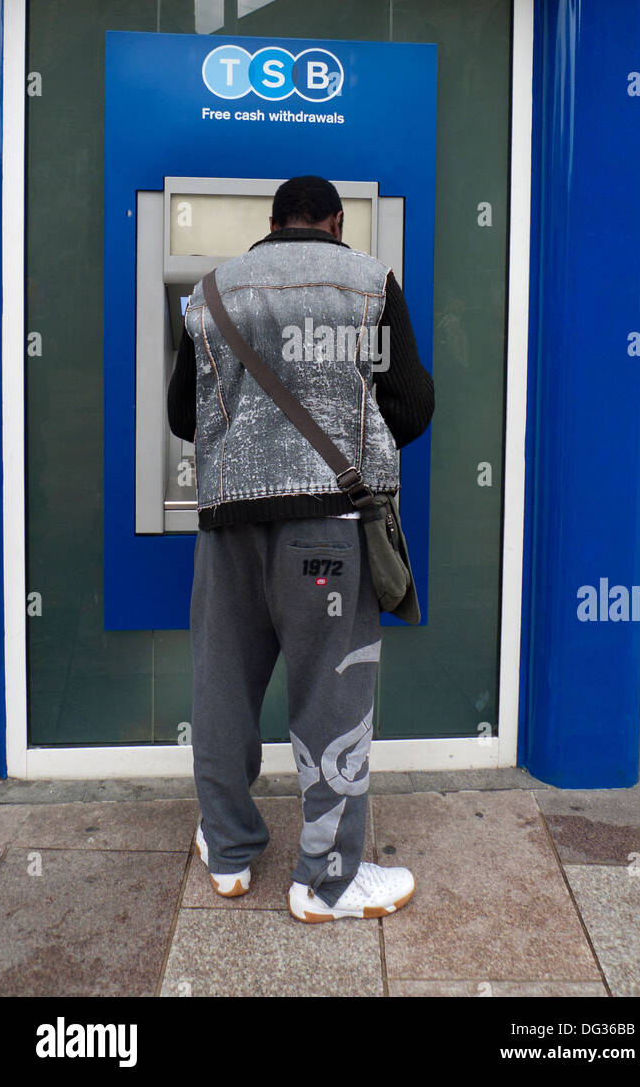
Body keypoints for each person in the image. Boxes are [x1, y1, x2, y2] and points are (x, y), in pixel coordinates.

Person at [167, 174, 434, 921]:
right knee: (331, 692)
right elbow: (409, 408)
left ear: (273, 223)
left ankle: (227, 852)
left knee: (221, 685)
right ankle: (326, 884)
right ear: (336, 222)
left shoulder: (212, 291)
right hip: (330, 528)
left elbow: (182, 416)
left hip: (227, 526)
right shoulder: (367, 281)